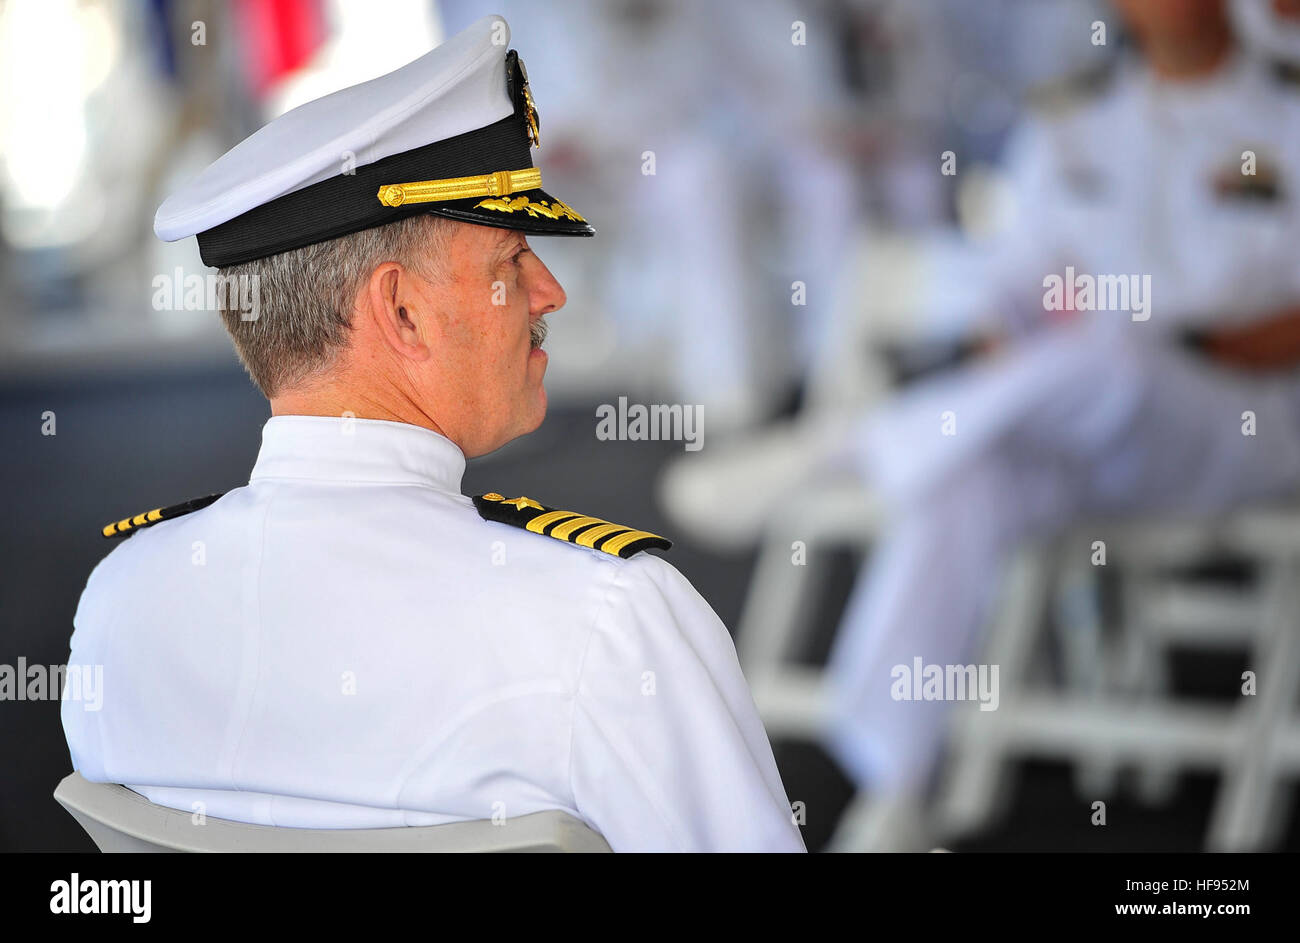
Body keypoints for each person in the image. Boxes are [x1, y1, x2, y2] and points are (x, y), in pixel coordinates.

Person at [60, 15, 805, 854]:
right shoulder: (610, 623)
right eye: (509, 264)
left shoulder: (119, 609)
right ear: (403, 311)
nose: (550, 292)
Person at [824, 0, 1300, 849]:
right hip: (1087, 422)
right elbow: (1008, 289)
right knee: (963, 476)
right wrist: (1016, 333)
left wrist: (1181, 334)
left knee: (1116, 344)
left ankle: (855, 444)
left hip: (1241, 421)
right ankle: (891, 784)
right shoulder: (1073, 126)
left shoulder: (1287, 113)